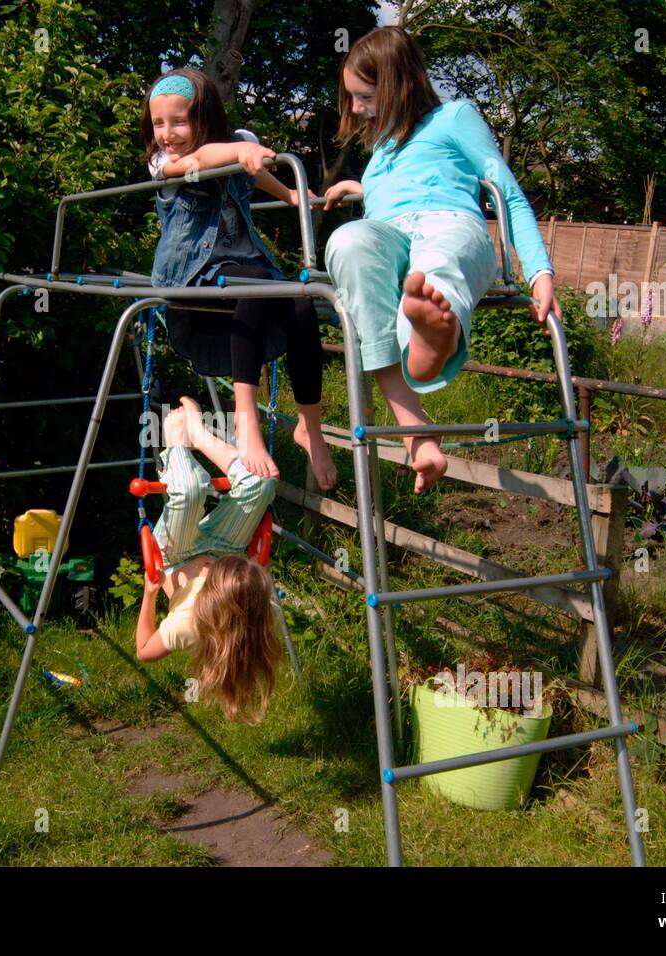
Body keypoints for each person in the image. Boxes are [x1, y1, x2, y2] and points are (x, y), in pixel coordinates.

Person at [322, 27, 560, 493]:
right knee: (349, 241)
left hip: (448, 222)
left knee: (436, 261)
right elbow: (403, 188)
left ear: (398, 86)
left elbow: (506, 193)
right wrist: (362, 189)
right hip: (391, 237)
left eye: (363, 96)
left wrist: (539, 270)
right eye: (351, 97)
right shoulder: (381, 149)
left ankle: (432, 335)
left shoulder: (455, 117)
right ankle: (417, 410)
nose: (354, 108)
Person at [142, 67, 337, 491]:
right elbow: (198, 162)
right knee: (254, 284)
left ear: (205, 117)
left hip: (244, 258)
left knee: (301, 304)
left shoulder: (238, 142)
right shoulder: (164, 163)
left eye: (179, 120)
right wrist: (237, 154)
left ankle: (310, 427)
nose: (167, 133)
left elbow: (249, 167)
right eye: (159, 123)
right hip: (193, 271)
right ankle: (246, 422)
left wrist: (287, 194)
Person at [134, 397, 283, 724]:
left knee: (190, 490)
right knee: (262, 482)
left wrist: (149, 593)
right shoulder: (257, 602)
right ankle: (200, 436)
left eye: (217, 574)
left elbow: (144, 651)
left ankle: (176, 443)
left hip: (175, 555)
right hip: (222, 544)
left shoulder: (187, 625)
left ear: (214, 593)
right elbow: (248, 569)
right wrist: (243, 559)